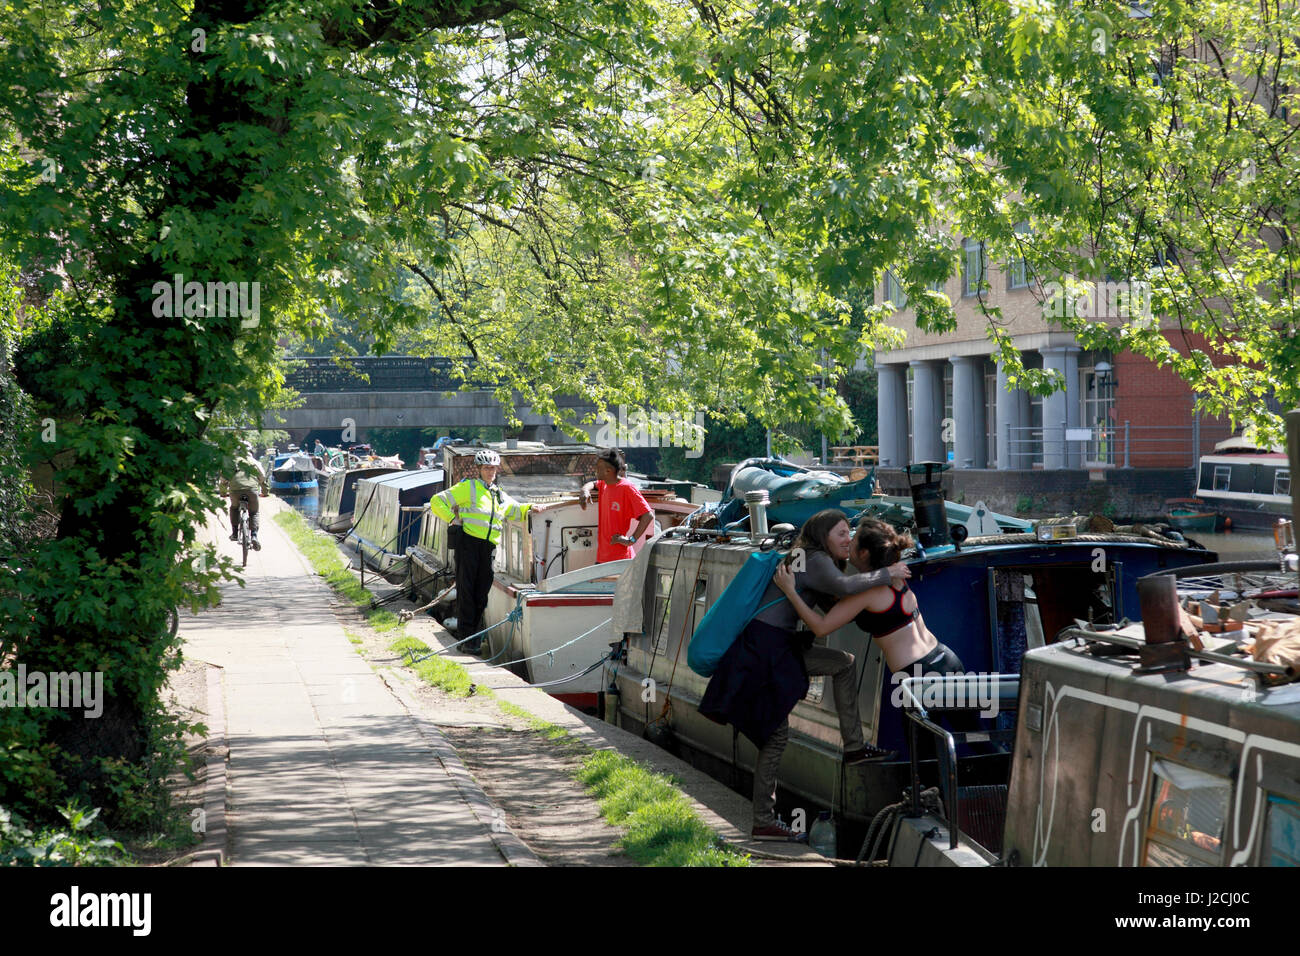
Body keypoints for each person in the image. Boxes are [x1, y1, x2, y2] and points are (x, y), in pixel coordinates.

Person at [699, 509, 911, 842]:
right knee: (776, 736)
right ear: (823, 535)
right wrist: (888, 573)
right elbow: (843, 585)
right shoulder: (812, 557)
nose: (847, 539)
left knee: (842, 663)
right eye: (841, 533)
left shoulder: (806, 559)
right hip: (766, 649)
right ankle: (763, 820)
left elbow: (834, 606)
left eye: (850, 534)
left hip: (775, 646)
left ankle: (854, 747)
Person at [774, 518, 965, 679]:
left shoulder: (868, 592)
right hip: (947, 659)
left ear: (864, 553)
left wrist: (790, 590)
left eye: (853, 540)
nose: (848, 542)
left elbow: (821, 628)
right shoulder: (897, 570)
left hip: (920, 676)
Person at [427, 448, 530, 653]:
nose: (490, 471)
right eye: (486, 468)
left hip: (488, 547)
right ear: (479, 469)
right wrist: (452, 519)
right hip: (468, 544)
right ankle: (467, 640)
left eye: (493, 468)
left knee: (481, 594)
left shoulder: (498, 494)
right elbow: (437, 501)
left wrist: (532, 508)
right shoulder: (469, 488)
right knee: (467, 592)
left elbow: (516, 510)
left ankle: (473, 636)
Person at [578, 447, 653, 563]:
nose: (595, 470)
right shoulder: (604, 484)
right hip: (602, 558)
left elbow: (648, 515)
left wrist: (630, 540)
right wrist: (584, 491)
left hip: (620, 560)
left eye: (598, 468)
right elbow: (592, 484)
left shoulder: (627, 488)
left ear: (608, 471)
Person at [223, 446, 269, 550]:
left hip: (235, 490)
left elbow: (223, 479)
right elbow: (262, 477)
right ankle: (254, 536)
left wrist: (223, 492)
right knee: (254, 512)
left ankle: (234, 533)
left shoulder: (232, 462)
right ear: (251, 452)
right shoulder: (254, 462)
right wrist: (265, 492)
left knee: (234, 508)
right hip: (252, 490)